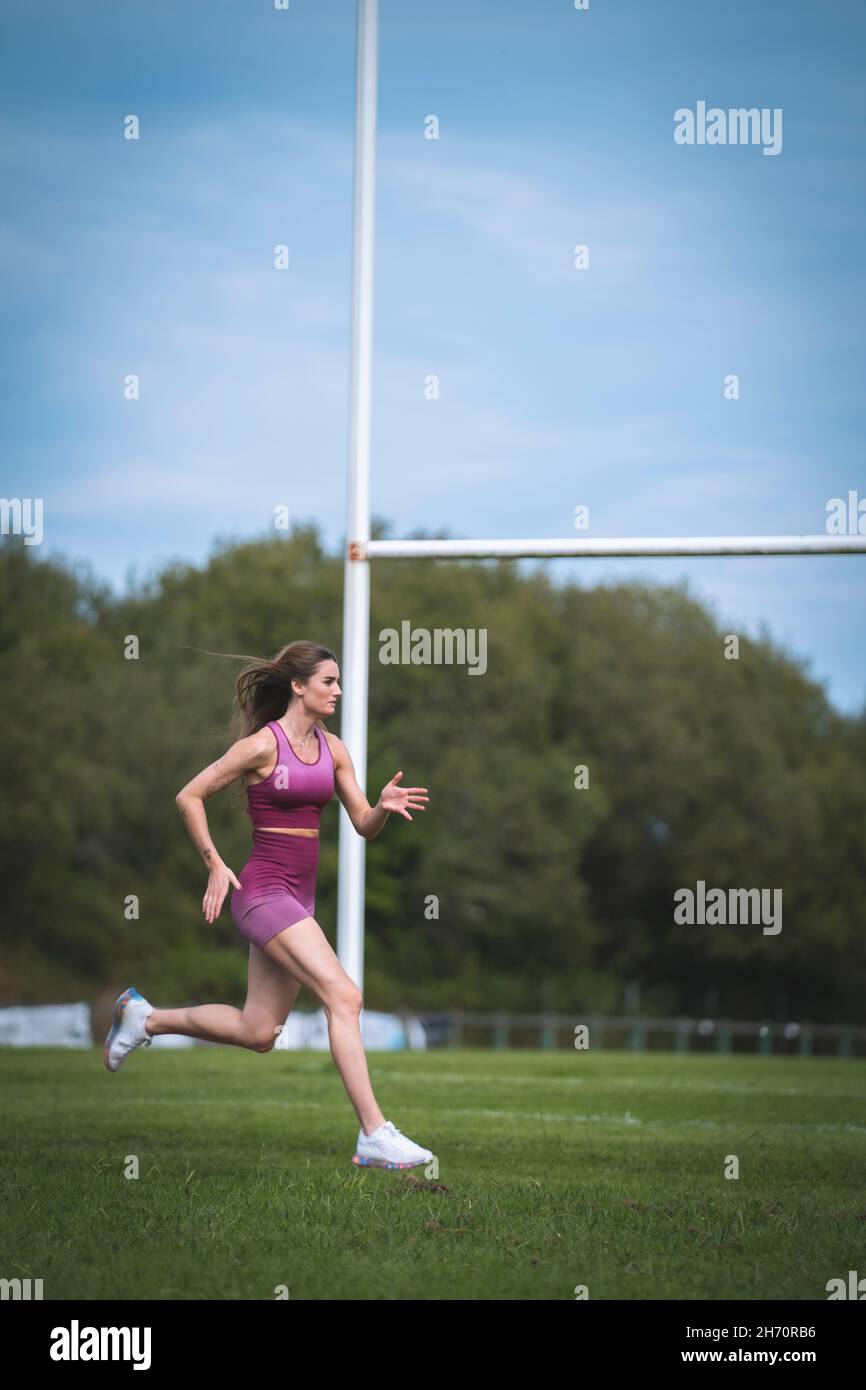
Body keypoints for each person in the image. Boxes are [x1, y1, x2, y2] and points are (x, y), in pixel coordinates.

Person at [103, 640, 434, 1171]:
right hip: (262, 894)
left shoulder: (337, 750)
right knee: (344, 997)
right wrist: (215, 862)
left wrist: (384, 809)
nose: (339, 691)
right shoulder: (262, 745)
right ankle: (374, 1133)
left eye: (339, 682)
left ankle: (144, 1019)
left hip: (297, 900)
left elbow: (363, 827)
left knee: (259, 1031)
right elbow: (189, 796)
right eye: (329, 681)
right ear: (298, 685)